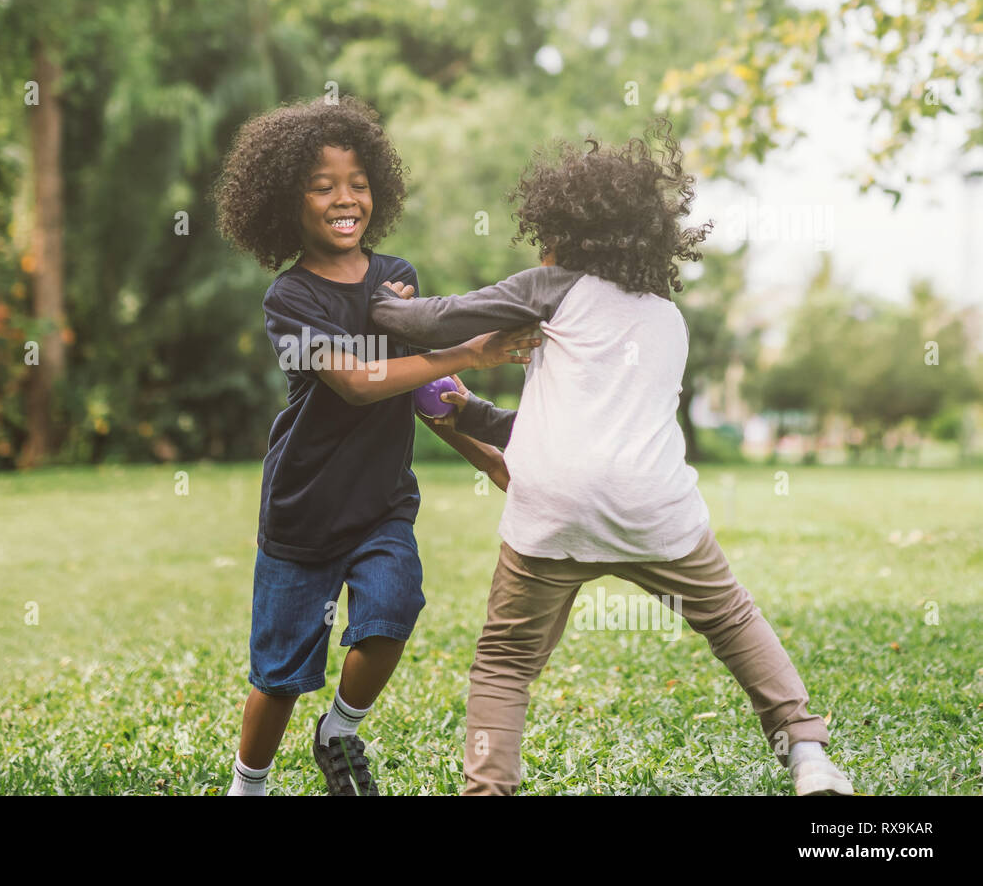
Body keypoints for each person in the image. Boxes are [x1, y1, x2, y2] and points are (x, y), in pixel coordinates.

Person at [369, 119, 855, 796]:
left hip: (554, 510)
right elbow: (588, 428)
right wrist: (472, 414)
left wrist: (380, 306)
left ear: (562, 236)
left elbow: (440, 319)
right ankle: (808, 754)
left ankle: (487, 789)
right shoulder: (667, 318)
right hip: (653, 508)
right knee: (734, 620)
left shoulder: (552, 287)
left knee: (505, 661)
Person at [213, 95, 539, 795]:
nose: (345, 198)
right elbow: (359, 382)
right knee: (278, 677)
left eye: (358, 182)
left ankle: (340, 729)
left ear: (379, 191)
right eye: (322, 184)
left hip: (382, 502)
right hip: (303, 510)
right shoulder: (289, 299)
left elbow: (420, 392)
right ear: (284, 202)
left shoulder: (397, 279)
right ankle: (249, 784)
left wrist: (492, 458)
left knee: (392, 609)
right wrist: (471, 352)